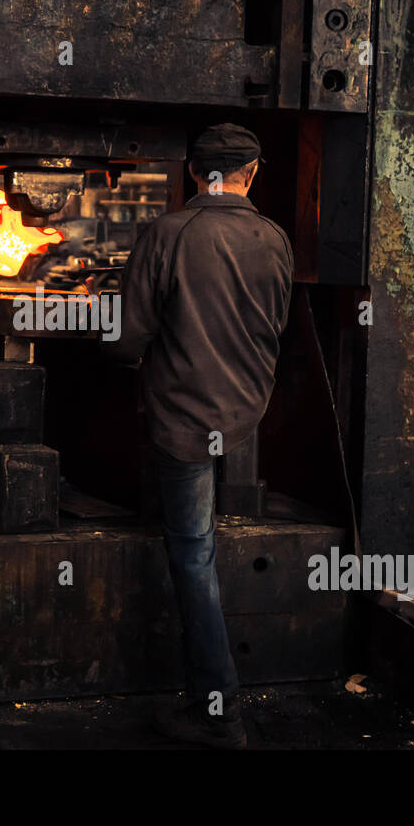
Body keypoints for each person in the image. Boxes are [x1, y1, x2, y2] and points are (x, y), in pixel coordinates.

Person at [104, 123, 294, 749]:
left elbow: (126, 341)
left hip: (183, 424)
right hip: (247, 415)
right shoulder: (275, 238)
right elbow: (271, 327)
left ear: (193, 172)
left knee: (194, 556)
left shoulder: (169, 233)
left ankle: (219, 713)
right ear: (253, 172)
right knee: (201, 545)